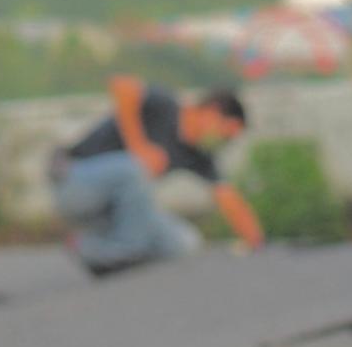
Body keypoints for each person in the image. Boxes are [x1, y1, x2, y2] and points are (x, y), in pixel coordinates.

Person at [57, 74, 265, 276]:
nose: (223, 141)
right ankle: (119, 253)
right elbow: (122, 86)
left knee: (184, 243)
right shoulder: (166, 106)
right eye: (225, 133)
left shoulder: (198, 155)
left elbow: (226, 196)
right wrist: (138, 146)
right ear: (212, 112)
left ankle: (94, 250)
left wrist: (255, 241)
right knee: (136, 168)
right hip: (76, 182)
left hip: (115, 209)